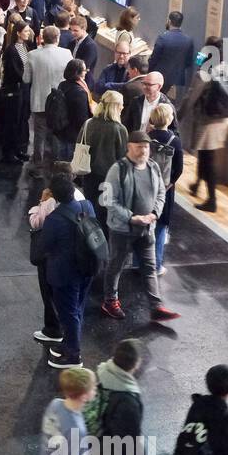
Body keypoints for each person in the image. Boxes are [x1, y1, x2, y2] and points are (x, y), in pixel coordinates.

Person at [101, 134, 181, 322]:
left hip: (147, 229)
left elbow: (162, 192)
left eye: (146, 147)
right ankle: (110, 301)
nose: (143, 150)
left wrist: (154, 214)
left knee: (150, 267)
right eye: (139, 147)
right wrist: (131, 218)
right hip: (122, 230)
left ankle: (155, 306)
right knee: (116, 265)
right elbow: (109, 200)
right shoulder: (117, 169)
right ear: (129, 147)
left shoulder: (153, 167)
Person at [31, 169, 93, 369]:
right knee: (78, 309)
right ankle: (68, 343)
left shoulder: (55, 219)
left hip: (65, 274)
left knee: (68, 313)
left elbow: (40, 250)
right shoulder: (87, 205)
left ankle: (73, 356)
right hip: (87, 268)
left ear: (55, 196)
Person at [182, 39, 228, 213]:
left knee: (208, 158)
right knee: (206, 155)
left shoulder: (204, 73)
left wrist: (177, 117)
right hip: (222, 119)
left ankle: (212, 199)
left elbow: (191, 98)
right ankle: (198, 185)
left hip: (207, 121)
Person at [25, 25, 72, 171]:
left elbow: (26, 79)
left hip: (39, 101)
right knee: (57, 133)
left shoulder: (33, 55)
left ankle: (38, 164)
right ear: (58, 38)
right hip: (59, 103)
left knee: (39, 134)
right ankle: (57, 165)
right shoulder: (67, 54)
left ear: (42, 38)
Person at [80, 91, 128, 230]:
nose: (123, 108)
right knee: (104, 215)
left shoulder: (89, 123)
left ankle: (87, 238)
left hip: (88, 174)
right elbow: (123, 157)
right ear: (115, 107)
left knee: (90, 209)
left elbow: (79, 144)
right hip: (109, 180)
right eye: (121, 105)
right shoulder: (119, 129)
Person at [147, 104, 184, 274]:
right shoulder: (174, 141)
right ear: (169, 119)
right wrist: (169, 185)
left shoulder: (146, 137)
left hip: (145, 186)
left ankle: (140, 262)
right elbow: (179, 168)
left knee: (143, 224)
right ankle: (156, 265)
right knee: (161, 227)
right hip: (165, 189)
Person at [0, 17, 31, 164]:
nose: (29, 33)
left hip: (21, 90)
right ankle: (8, 153)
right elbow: (15, 71)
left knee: (19, 121)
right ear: (18, 33)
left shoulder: (24, 47)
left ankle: (17, 150)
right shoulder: (11, 50)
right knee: (11, 122)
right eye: (26, 31)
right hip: (13, 91)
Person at [53, 58, 93, 163]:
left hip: (62, 130)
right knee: (70, 165)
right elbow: (81, 118)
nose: (86, 72)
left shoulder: (62, 85)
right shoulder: (80, 92)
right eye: (84, 70)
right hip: (73, 135)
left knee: (62, 163)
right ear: (78, 73)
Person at [148, 11, 196, 98]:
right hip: (178, 81)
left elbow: (154, 60)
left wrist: (149, 74)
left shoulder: (162, 38)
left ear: (169, 21)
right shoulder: (189, 41)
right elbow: (188, 63)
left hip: (160, 80)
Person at [121, 71, 176, 135]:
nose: (144, 87)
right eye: (144, 83)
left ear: (159, 87)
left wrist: (159, 131)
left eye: (149, 84)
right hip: (136, 142)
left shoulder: (167, 106)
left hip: (156, 143)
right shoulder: (136, 102)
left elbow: (174, 132)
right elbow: (126, 125)